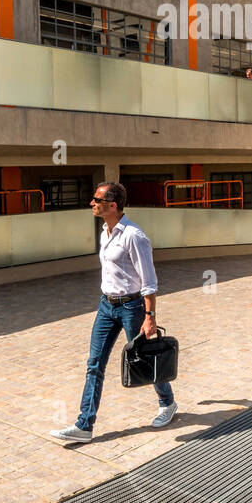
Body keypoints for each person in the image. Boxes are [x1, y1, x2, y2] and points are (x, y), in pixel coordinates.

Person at [50, 182, 177, 443]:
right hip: (106, 306)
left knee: (145, 358)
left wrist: (150, 317)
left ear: (113, 205)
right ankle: (84, 425)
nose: (92, 203)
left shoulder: (134, 236)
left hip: (132, 307)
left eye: (96, 199)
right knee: (94, 365)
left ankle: (168, 402)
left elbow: (149, 281)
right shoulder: (104, 232)